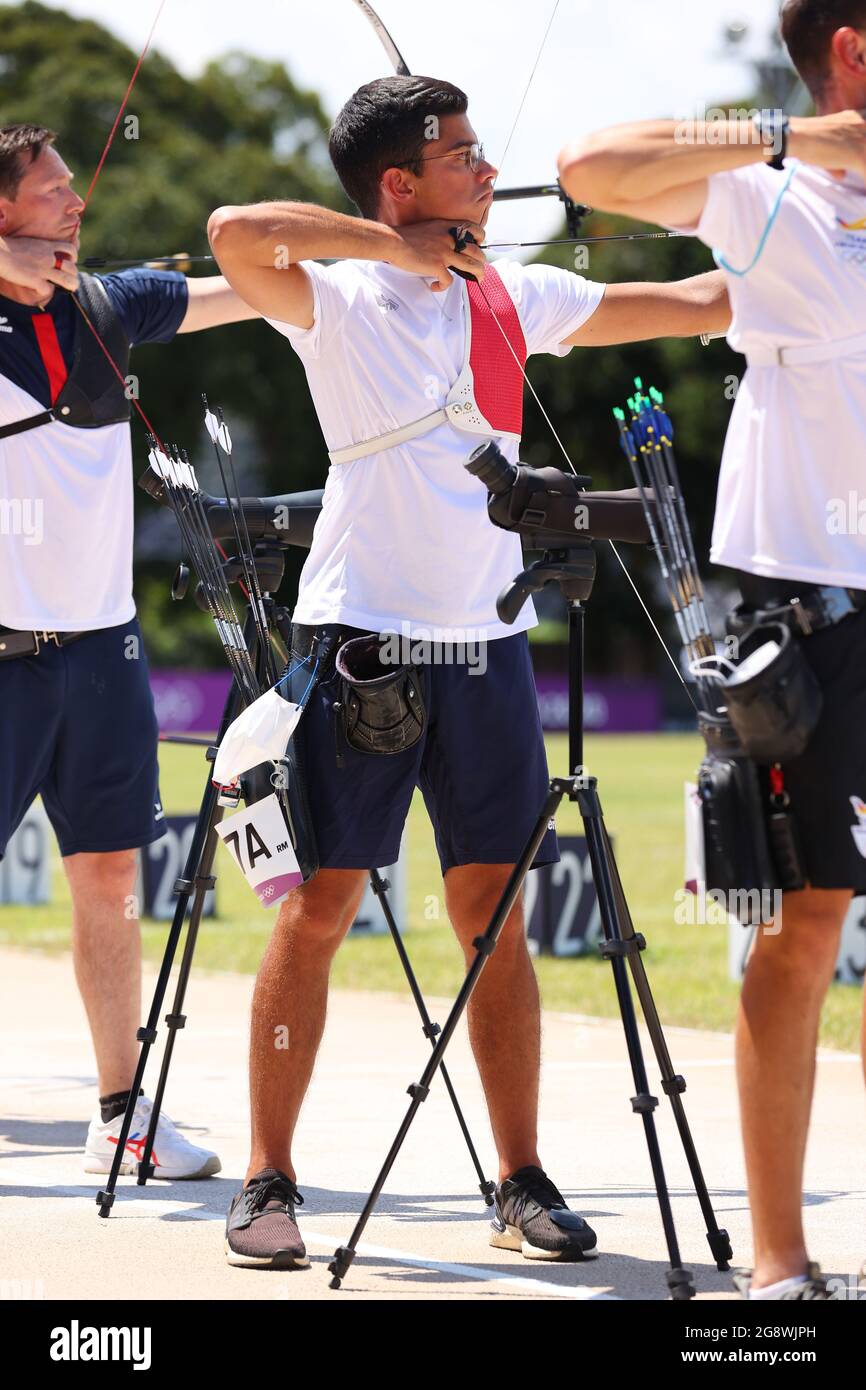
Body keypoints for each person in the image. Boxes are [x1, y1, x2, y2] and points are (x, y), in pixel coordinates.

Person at [208, 74, 730, 1269]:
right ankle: (267, 1176)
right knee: (324, 908)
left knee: (493, 921)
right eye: (462, 158)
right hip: (360, 642)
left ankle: (518, 1178)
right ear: (399, 184)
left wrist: (779, 258)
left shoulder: (512, 292)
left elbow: (687, 299)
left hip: (486, 646)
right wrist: (397, 245)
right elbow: (237, 234)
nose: (489, 175)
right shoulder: (336, 300)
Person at [556, 0, 866, 1301]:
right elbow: (590, 168)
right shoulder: (773, 197)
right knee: (800, 931)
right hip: (810, 615)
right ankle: (778, 1261)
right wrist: (809, 135)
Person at [0, 123, 261, 1180]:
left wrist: (365, 259)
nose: (73, 205)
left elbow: (236, 294)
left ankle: (122, 1108)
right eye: (52, 193)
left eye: (73, 189)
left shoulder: (104, 305)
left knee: (108, 876)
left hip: (102, 652)